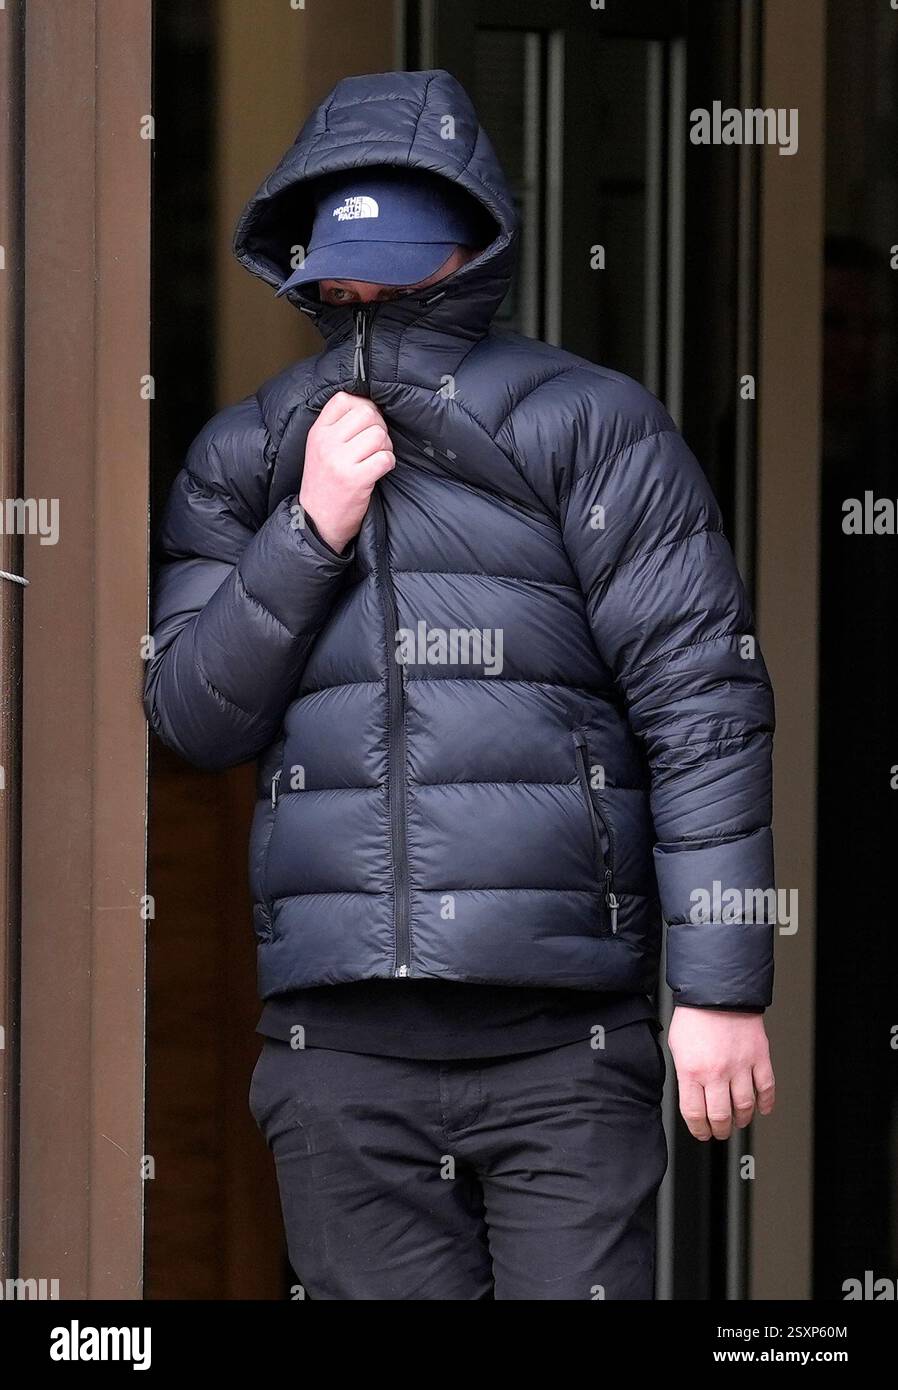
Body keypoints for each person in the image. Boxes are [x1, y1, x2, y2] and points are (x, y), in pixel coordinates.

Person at [143, 69, 777, 1301]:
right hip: (338, 1050)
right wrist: (309, 528)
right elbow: (192, 718)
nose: (369, 291)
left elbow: (702, 707)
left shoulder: (594, 425)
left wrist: (719, 987)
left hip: (562, 1037)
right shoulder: (245, 455)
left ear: (469, 244)